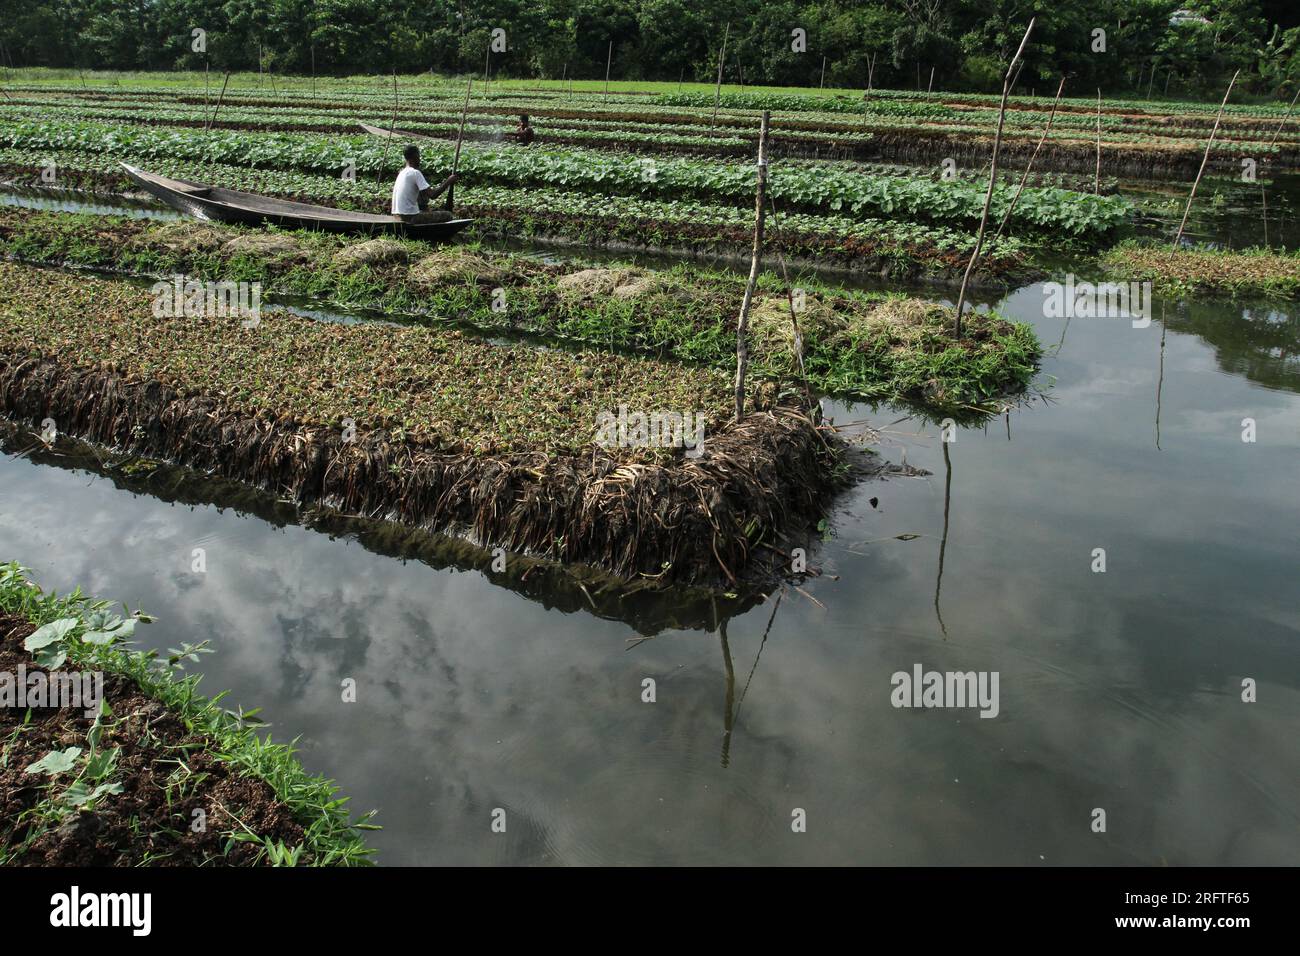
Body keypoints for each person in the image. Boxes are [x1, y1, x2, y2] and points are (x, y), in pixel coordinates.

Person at [391, 144, 457, 222]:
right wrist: (449, 181)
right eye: (418, 156)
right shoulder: (415, 173)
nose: (419, 159)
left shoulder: (402, 173)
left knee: (427, 211)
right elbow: (433, 195)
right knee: (448, 215)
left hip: (397, 215)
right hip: (409, 216)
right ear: (414, 157)